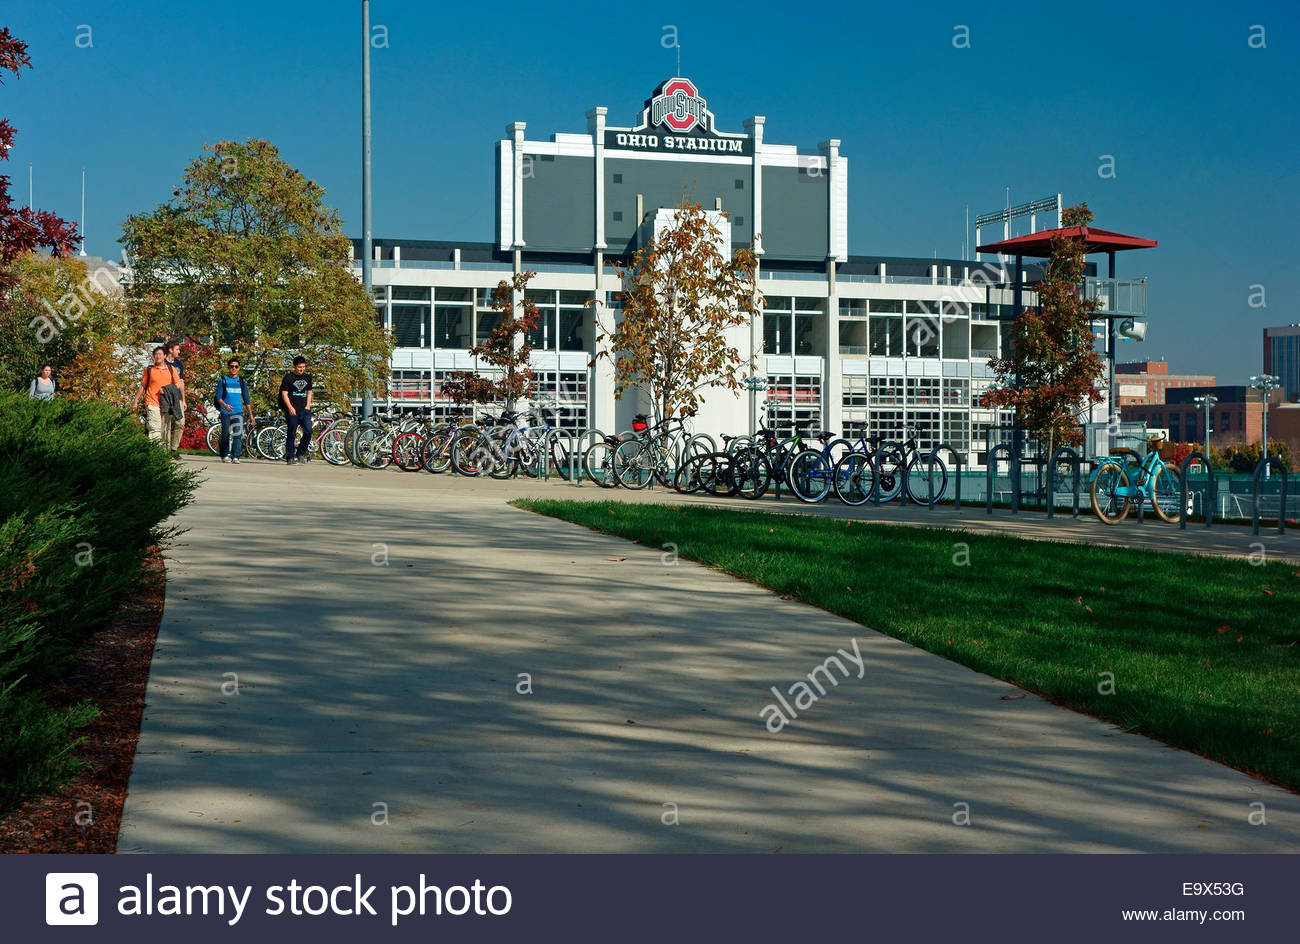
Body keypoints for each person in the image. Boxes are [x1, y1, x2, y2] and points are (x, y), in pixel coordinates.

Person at [132, 346, 185, 449]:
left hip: (167, 403)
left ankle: (163, 454)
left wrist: (167, 389)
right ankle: (155, 452)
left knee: (165, 429)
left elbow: (178, 384)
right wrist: (136, 401)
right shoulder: (149, 370)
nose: (157, 356)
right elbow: (142, 386)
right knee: (154, 428)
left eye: (160, 354)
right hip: (152, 402)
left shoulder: (171, 369)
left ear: (164, 356)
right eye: (155, 354)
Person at [214, 357, 252, 463]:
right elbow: (218, 397)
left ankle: (236, 456)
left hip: (238, 411)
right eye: (232, 366)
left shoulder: (241, 381)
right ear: (228, 367)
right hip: (226, 412)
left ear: (239, 368)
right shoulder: (223, 380)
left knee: (238, 434)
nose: (234, 368)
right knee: (225, 433)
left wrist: (251, 415)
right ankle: (224, 455)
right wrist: (225, 406)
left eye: (236, 366)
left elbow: (246, 399)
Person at [279, 355, 313, 464]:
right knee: (291, 433)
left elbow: (309, 391)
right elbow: (284, 393)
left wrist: (308, 405)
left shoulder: (307, 377)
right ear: (294, 367)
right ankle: (290, 456)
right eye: (299, 367)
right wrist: (289, 407)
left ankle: (300, 453)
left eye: (303, 367)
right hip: (292, 410)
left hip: (304, 410)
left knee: (308, 431)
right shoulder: (288, 378)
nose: (301, 369)